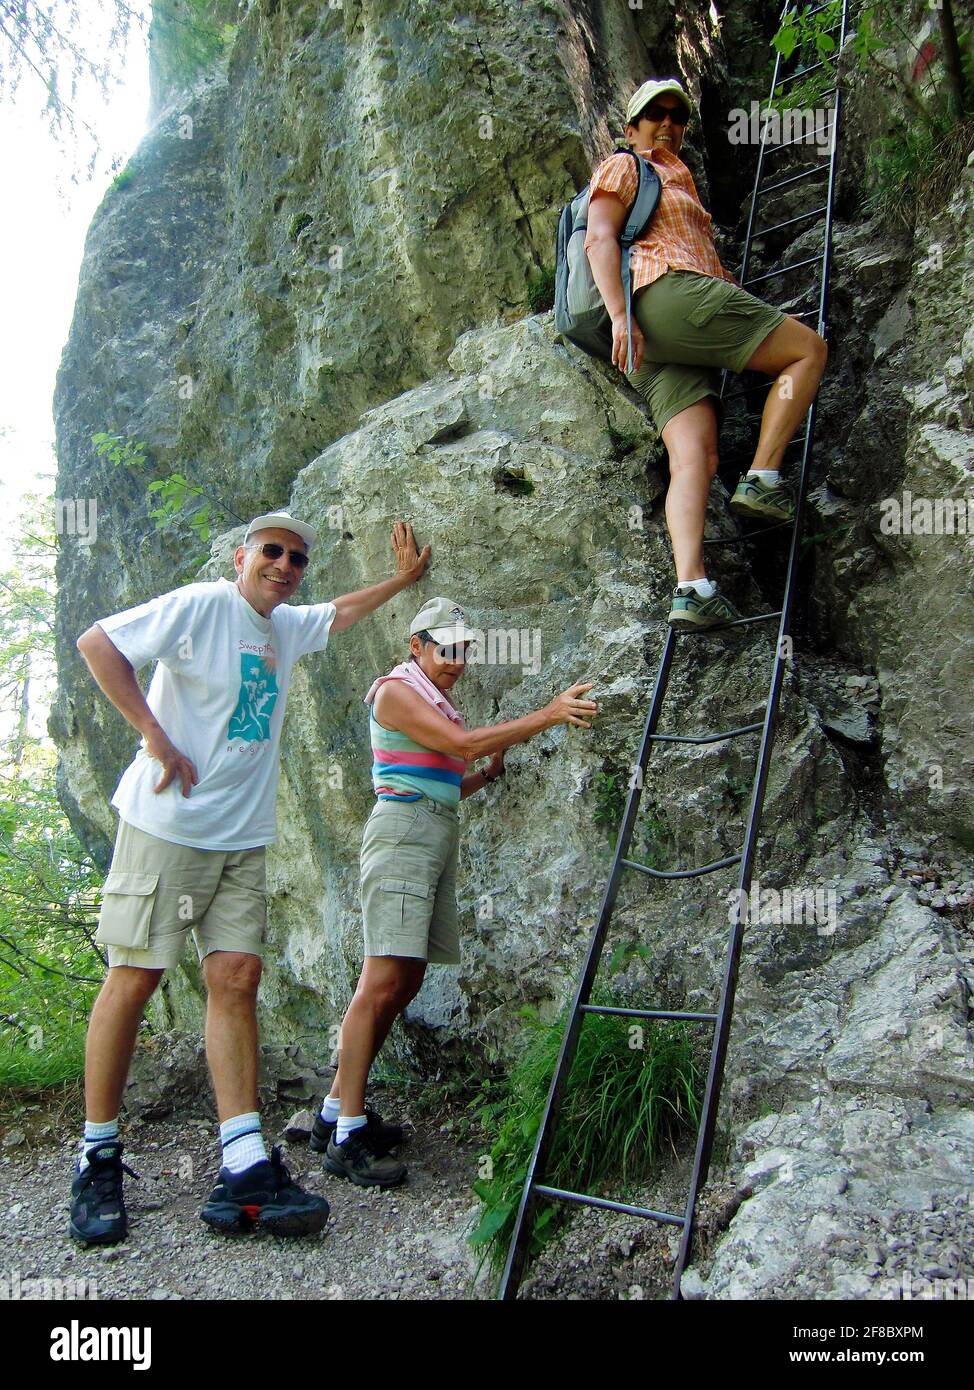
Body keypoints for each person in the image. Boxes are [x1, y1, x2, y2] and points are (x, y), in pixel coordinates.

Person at [69, 513, 430, 1244]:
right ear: (242, 557)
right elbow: (99, 644)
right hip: (167, 826)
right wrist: (153, 734)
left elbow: (344, 611)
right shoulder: (204, 604)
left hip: (242, 839)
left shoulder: (285, 628)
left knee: (235, 981)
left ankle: (242, 1166)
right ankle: (97, 1155)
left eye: (297, 557)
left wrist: (404, 580)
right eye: (272, 551)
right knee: (134, 978)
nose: (285, 564)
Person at [310, 598, 598, 1186]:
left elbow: (439, 778)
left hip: (430, 829)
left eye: (464, 650)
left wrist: (486, 775)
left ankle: (334, 1114)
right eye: (446, 648)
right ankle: (347, 1136)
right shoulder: (395, 691)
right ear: (415, 645)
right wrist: (547, 715)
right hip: (402, 834)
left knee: (406, 977)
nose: (457, 660)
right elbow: (456, 747)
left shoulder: (431, 697)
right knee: (382, 978)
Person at [583, 78, 829, 630]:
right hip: (665, 299)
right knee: (807, 351)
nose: (667, 123)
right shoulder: (626, 165)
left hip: (658, 341)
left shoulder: (680, 179)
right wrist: (620, 316)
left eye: (677, 116)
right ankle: (764, 475)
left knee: (695, 459)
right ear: (632, 129)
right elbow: (599, 238)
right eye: (654, 115)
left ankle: (691, 586)